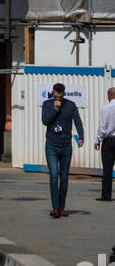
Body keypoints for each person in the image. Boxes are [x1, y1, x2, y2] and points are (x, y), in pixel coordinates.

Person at [42, 82, 84, 216]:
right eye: (55, 97)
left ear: (63, 94)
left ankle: (62, 207)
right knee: (53, 176)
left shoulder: (70, 105)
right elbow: (45, 121)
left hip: (66, 146)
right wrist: (55, 109)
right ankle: (55, 207)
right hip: (52, 145)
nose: (57, 99)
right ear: (53, 93)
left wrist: (81, 137)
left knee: (64, 178)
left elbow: (77, 121)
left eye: (60, 97)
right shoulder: (47, 104)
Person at [94, 85, 115, 202]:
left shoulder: (106, 108)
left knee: (107, 169)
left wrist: (98, 140)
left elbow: (102, 127)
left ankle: (106, 196)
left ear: (109, 96)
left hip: (109, 141)